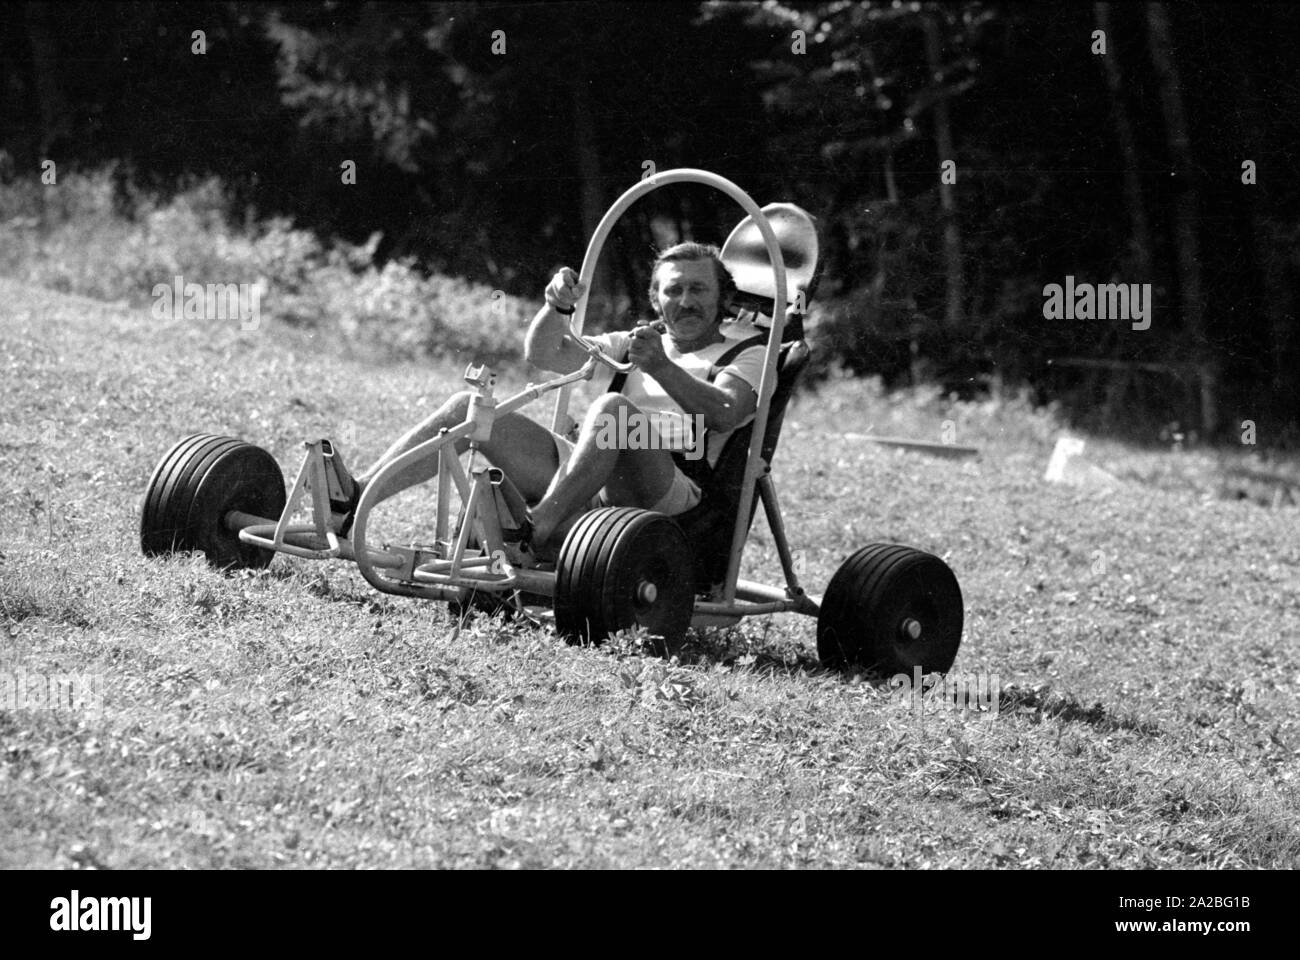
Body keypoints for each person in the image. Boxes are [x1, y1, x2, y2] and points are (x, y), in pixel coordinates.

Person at [327, 242, 767, 558]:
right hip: (594, 467)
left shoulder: (747, 351)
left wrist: (662, 370)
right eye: (674, 291)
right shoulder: (637, 341)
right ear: (656, 299)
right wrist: (555, 309)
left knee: (613, 410)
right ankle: (354, 501)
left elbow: (728, 412)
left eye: (698, 289)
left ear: (722, 298)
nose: (685, 301)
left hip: (672, 487)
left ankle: (537, 530)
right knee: (469, 408)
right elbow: (544, 354)